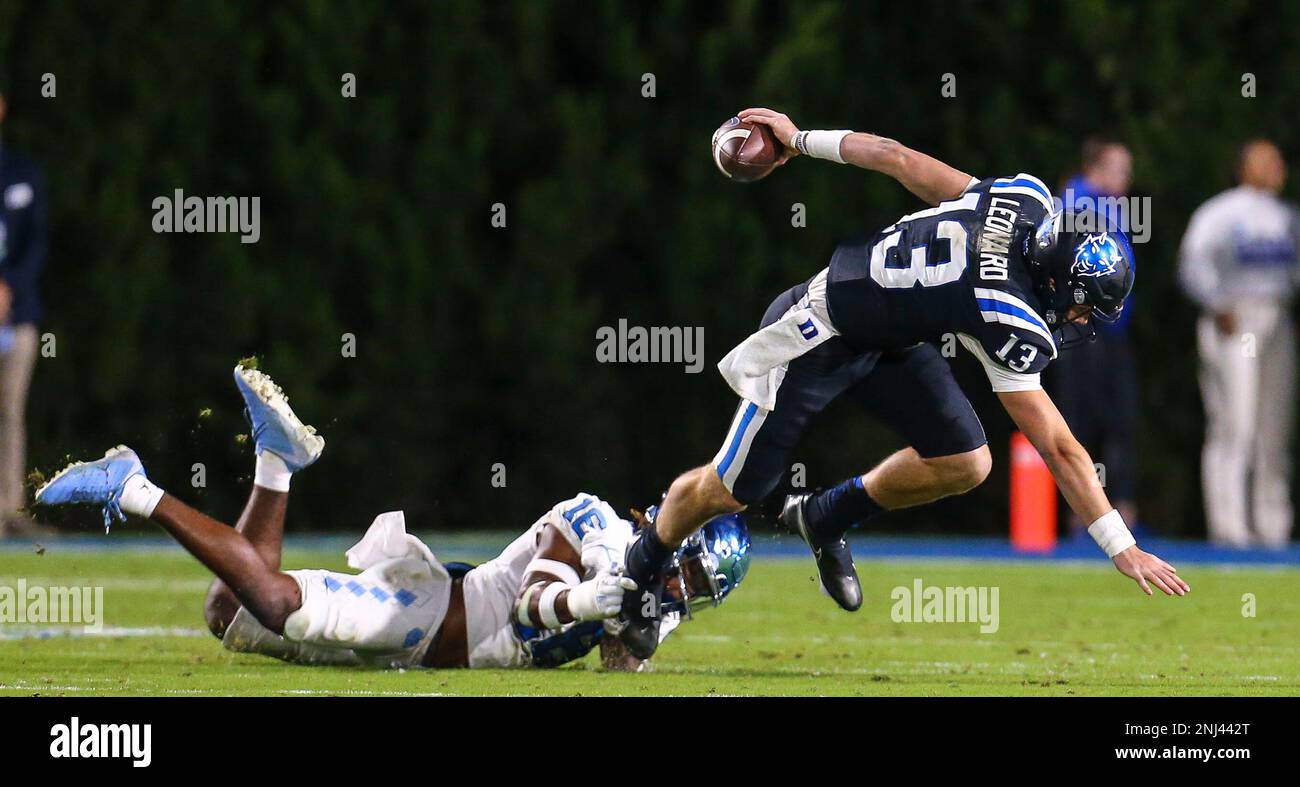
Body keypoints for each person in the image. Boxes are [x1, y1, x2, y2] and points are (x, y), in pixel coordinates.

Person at [617, 108, 1189, 660]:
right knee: (730, 488)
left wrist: (798, 139)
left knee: (967, 460)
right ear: (1054, 279)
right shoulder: (1007, 311)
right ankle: (639, 571)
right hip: (821, 331)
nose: (1082, 321)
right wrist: (1122, 544)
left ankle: (824, 515)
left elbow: (895, 157)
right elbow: (1059, 447)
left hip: (890, 335)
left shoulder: (1025, 199)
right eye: (1084, 308)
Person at [35, 365, 750, 670]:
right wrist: (597, 600)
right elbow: (538, 604)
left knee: (231, 612)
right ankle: (134, 487)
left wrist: (636, 630)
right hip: (430, 616)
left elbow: (621, 658)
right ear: (667, 530)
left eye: (697, 591)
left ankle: (276, 461)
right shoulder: (600, 528)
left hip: (428, 643)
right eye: (685, 571)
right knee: (277, 602)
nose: (680, 590)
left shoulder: (657, 590)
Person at [1179, 139, 1299, 548]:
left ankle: (1273, 526)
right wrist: (1216, 302)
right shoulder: (1223, 211)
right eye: (1266, 159)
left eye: (1278, 159)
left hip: (1277, 319)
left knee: (1275, 428)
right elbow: (1192, 262)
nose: (1276, 166)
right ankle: (1229, 529)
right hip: (1236, 319)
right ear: (1244, 166)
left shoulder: (1287, 216)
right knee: (1236, 423)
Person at [1051, 138, 1140, 533]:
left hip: (1110, 330)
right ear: (1095, 167)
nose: (1127, 177)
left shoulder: (1110, 205)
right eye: (1119, 167)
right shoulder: (1075, 201)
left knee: (1118, 419)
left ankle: (1118, 508)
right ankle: (1083, 514)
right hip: (1081, 327)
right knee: (1079, 420)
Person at [0, 87, 49, 534]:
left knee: (10, 412)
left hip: (15, 316)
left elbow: (36, 244)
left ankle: (8, 509)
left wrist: (8, 288)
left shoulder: (21, 171)